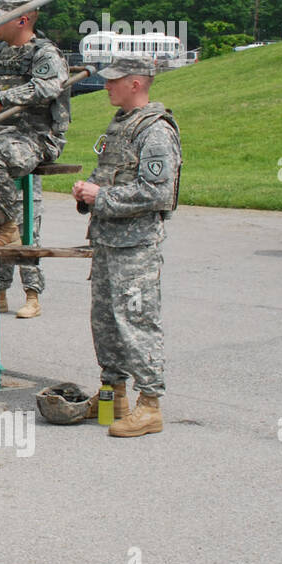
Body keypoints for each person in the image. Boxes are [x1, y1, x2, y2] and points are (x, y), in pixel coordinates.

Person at [72, 52, 181, 438]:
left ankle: (149, 405)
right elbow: (110, 174)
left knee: (136, 322)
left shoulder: (155, 129)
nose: (106, 86)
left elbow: (157, 193)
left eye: (114, 80)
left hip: (135, 246)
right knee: (105, 323)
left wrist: (100, 196)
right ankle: (111, 397)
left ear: (136, 82)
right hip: (107, 240)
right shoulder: (121, 125)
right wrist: (87, 192)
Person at [0, 0, 71, 247]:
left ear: (22, 20)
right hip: (0, 133)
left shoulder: (45, 53)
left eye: (1, 18)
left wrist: (5, 99)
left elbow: (47, 87)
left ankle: (5, 227)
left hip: (36, 137)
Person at [0, 174, 45, 318]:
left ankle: (32, 299)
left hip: (25, 195)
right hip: (0, 197)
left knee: (27, 245)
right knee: (1, 244)